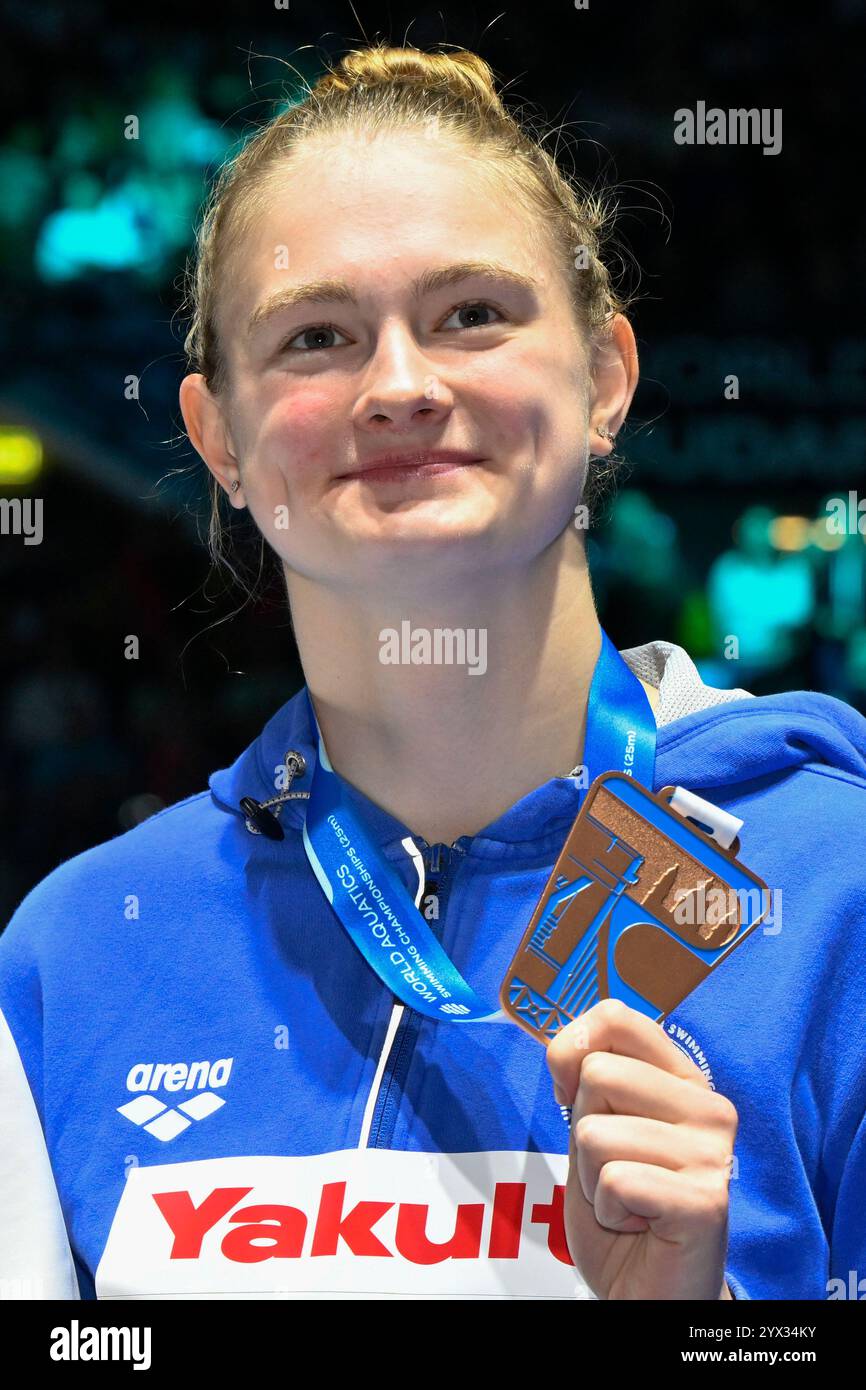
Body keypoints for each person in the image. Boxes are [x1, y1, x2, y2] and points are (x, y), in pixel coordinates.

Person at [2, 43, 865, 1303]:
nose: (399, 386)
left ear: (606, 376)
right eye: (315, 337)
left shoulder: (835, 889)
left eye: (471, 313)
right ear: (217, 437)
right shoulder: (71, 959)